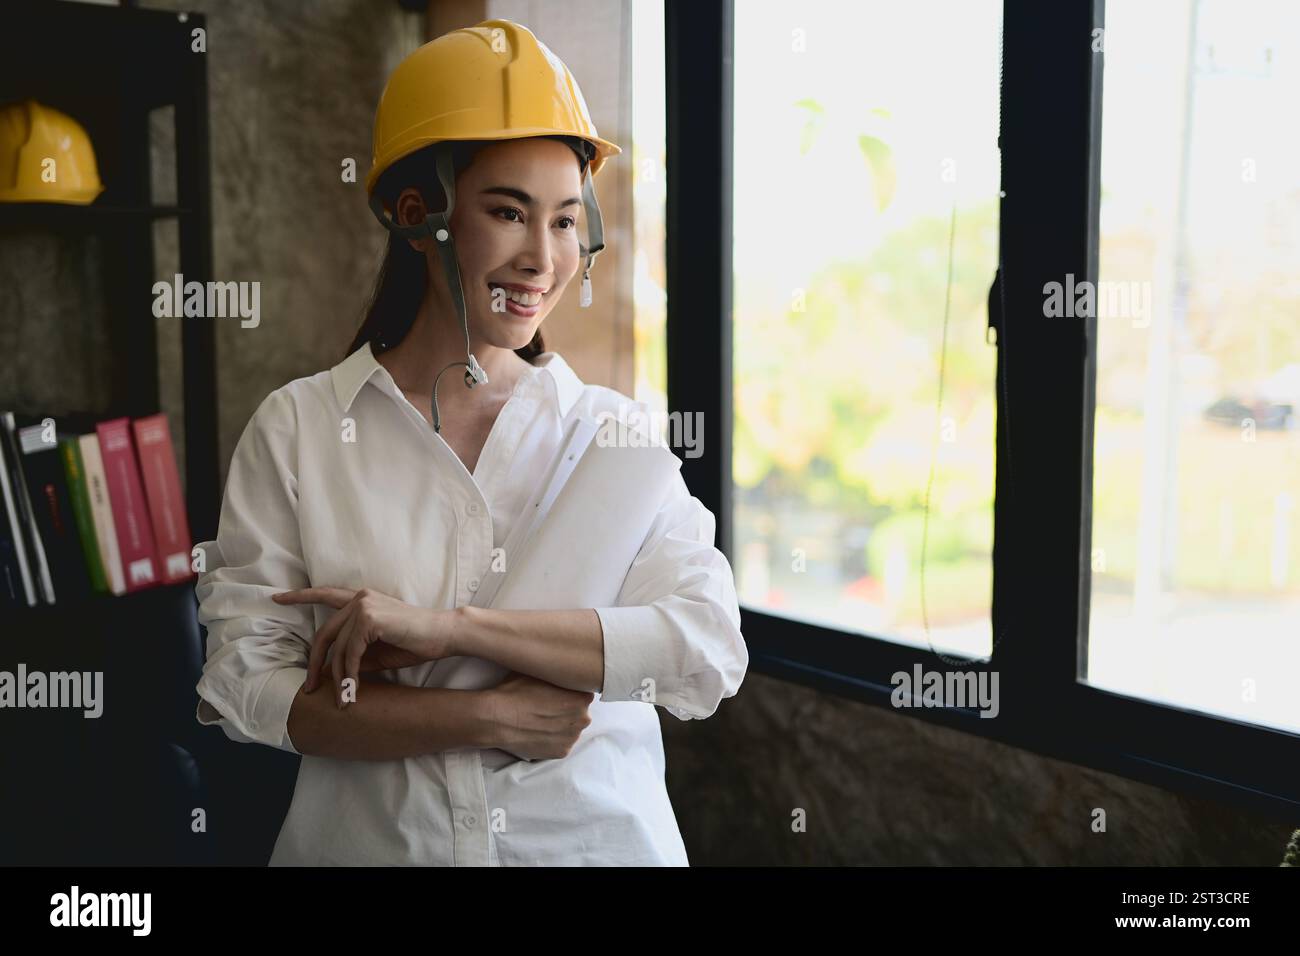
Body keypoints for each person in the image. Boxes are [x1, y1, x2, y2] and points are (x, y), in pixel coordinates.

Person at [192, 19, 748, 866]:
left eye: (566, 222)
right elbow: (247, 687)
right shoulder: (300, 430)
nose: (542, 258)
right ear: (417, 215)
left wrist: (452, 632)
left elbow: (705, 652)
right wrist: (485, 714)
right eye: (507, 212)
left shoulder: (617, 439)